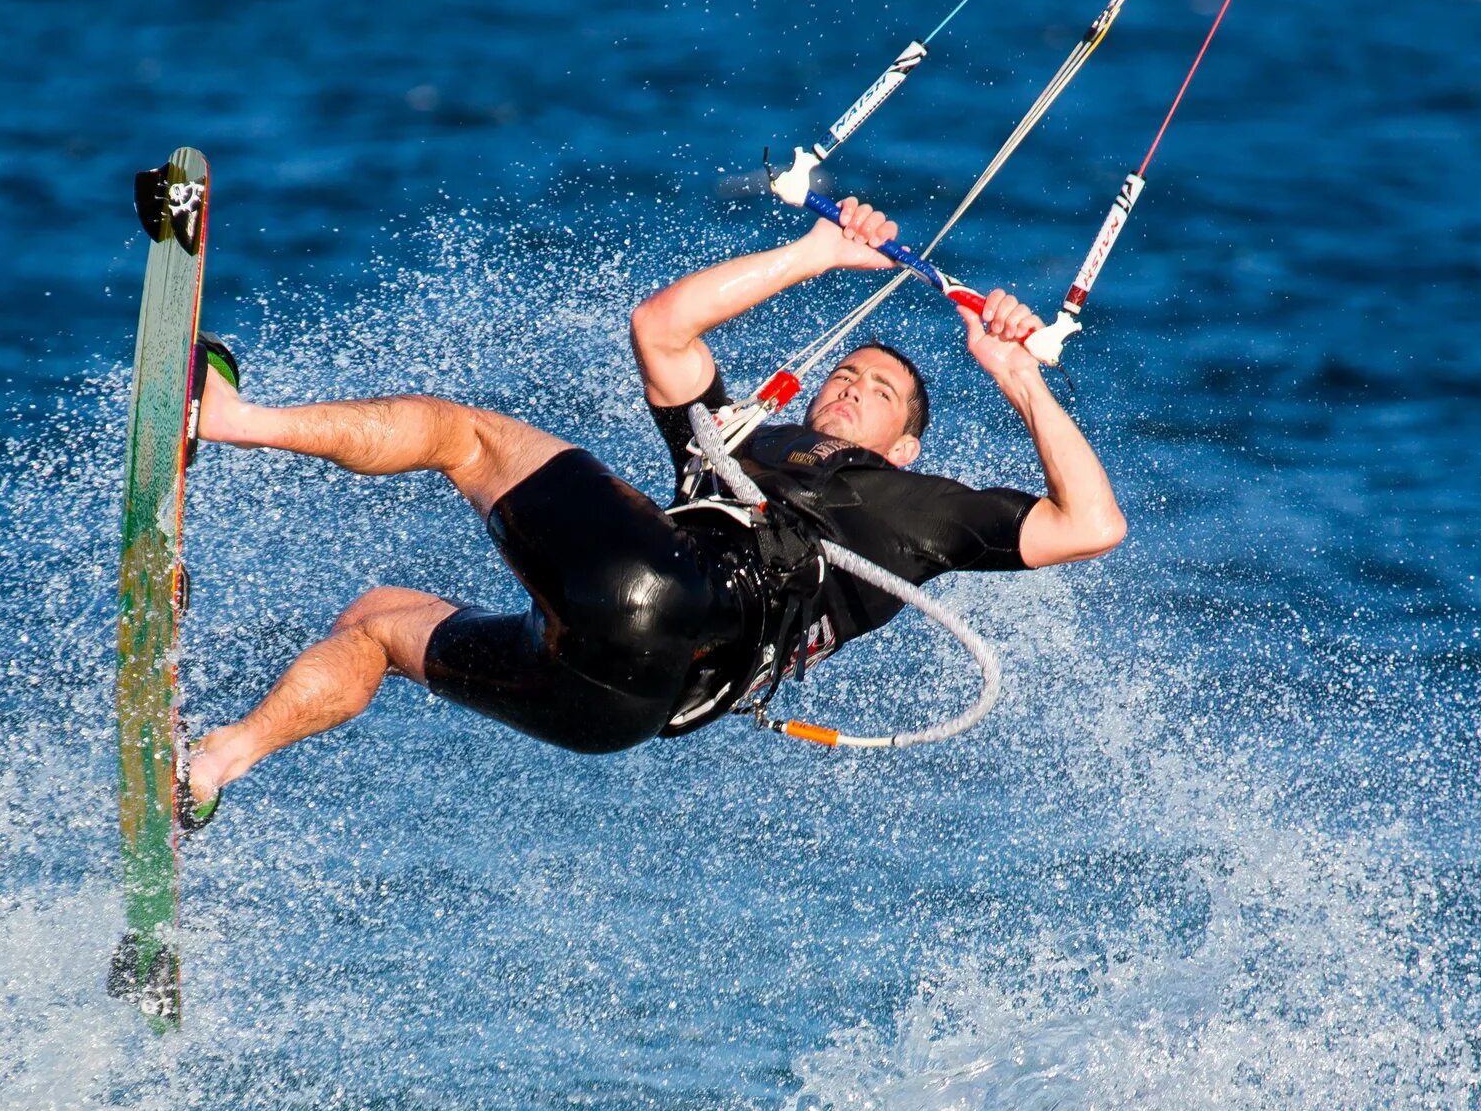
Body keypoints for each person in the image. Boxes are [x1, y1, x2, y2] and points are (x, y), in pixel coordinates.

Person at [176, 197, 1128, 820]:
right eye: (843, 372)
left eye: (878, 389)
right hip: (626, 712)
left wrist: (1018, 380)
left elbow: (1094, 525)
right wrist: (816, 253)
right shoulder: (741, 441)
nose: (849, 385)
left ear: (906, 444)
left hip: (666, 623)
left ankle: (226, 416)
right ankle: (216, 765)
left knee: (461, 435)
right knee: (380, 623)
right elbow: (662, 325)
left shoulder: (930, 512)